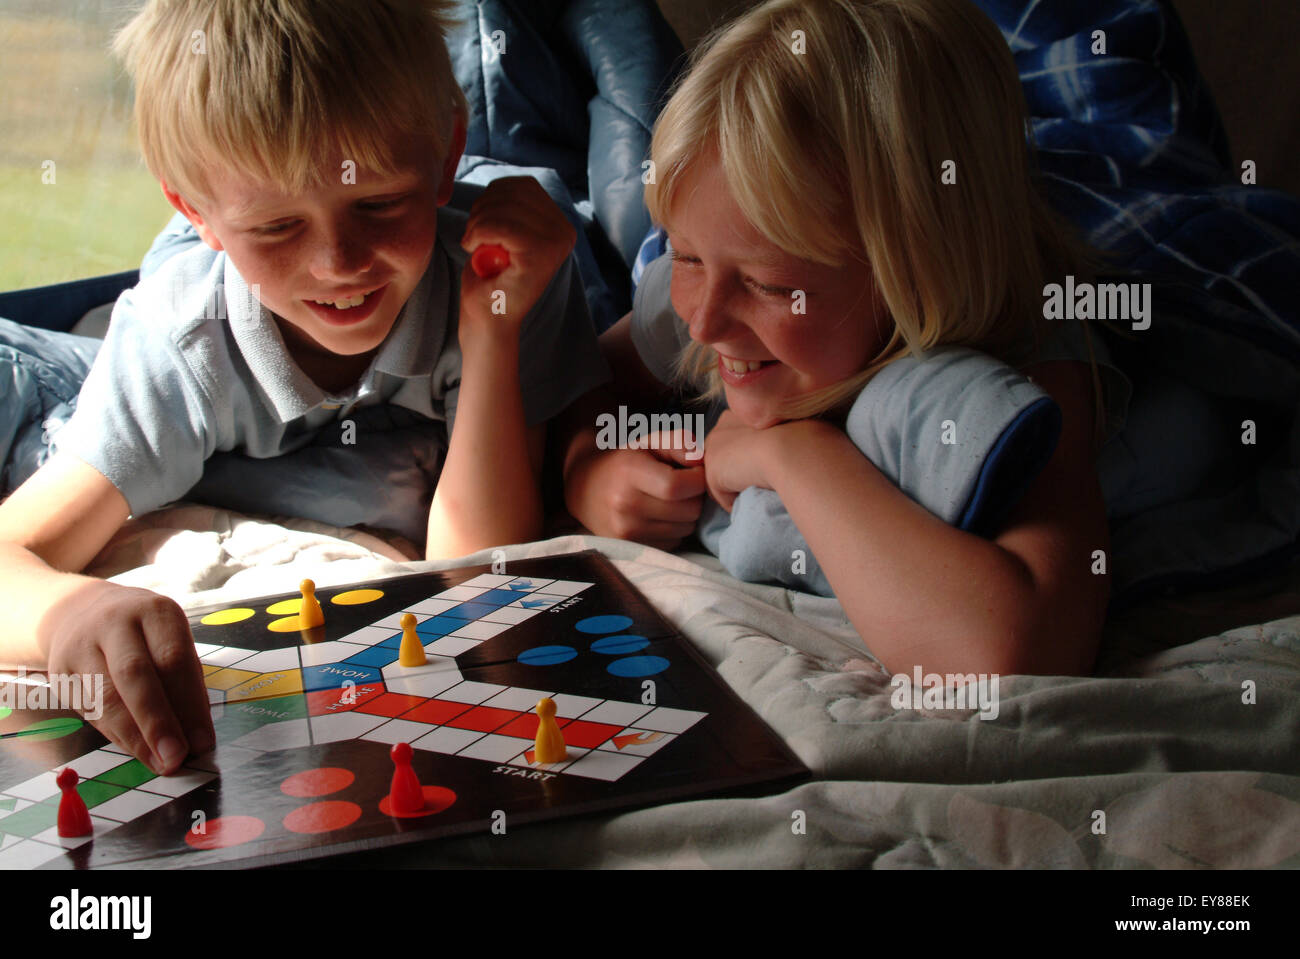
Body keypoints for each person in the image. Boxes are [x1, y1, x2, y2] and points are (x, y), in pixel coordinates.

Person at [0, 0, 607, 773]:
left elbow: (473, 570)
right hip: (68, 376)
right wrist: (64, 612)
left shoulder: (505, 271)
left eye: (378, 203)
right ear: (195, 211)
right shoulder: (179, 337)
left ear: (449, 147)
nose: (339, 262)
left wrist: (490, 331)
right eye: (278, 227)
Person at [562, 0, 1131, 678]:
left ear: (916, 274)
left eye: (769, 286)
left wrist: (791, 452)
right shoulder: (701, 286)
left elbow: (1012, 649)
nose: (705, 323)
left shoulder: (1031, 353)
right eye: (685, 257)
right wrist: (585, 470)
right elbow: (583, 385)